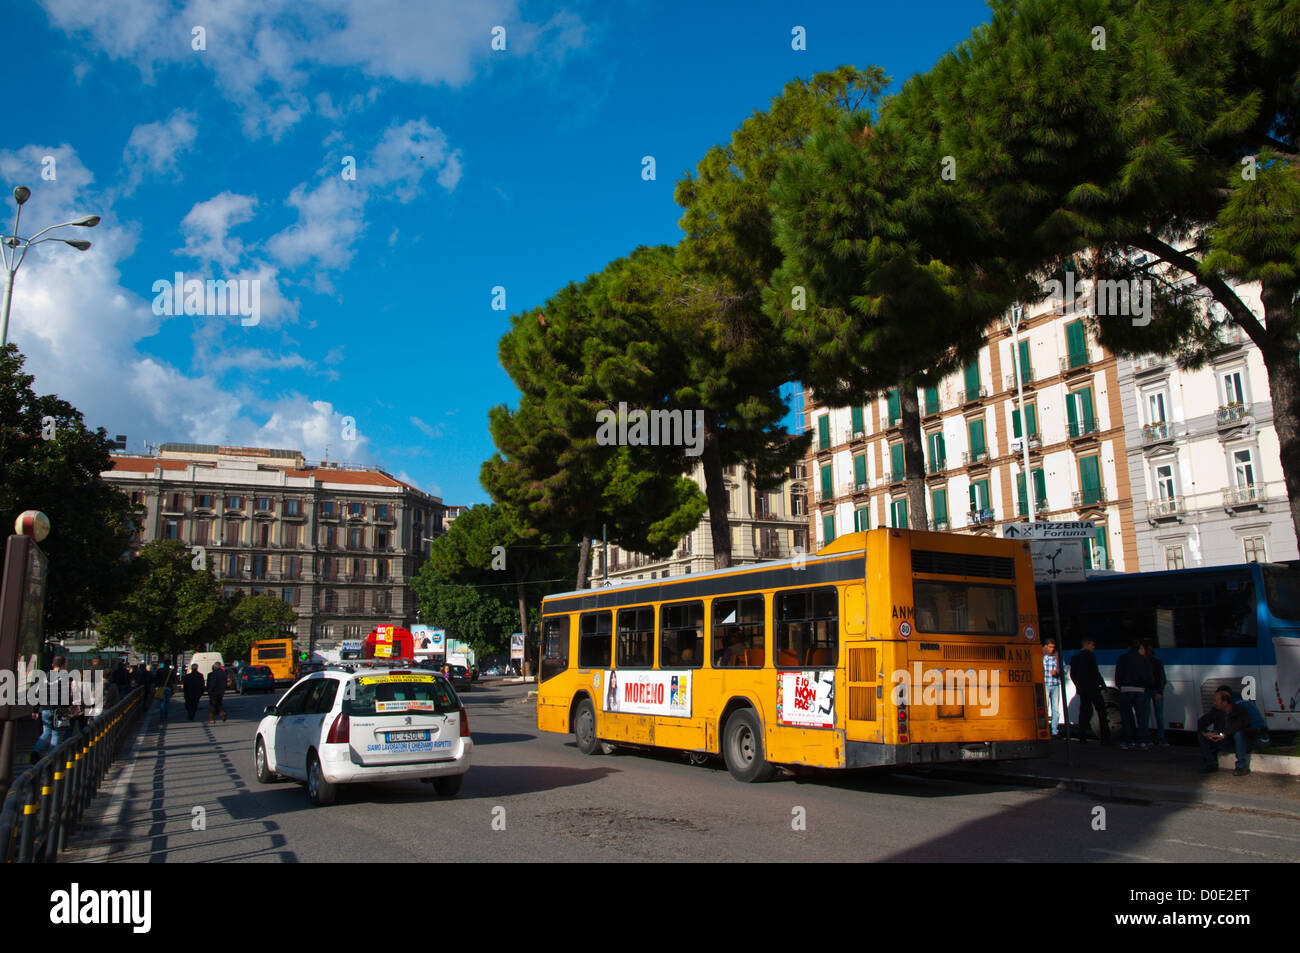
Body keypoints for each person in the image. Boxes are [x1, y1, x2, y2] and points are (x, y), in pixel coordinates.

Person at [1197, 686, 1257, 775]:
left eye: (1216, 701)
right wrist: (1205, 733)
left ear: (1224, 702)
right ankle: (1211, 763)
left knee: (1238, 734)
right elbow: (1201, 722)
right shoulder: (1216, 711)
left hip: (1236, 742)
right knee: (1201, 734)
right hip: (1223, 740)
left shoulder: (1239, 710)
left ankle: (1241, 766)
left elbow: (1238, 726)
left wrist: (1223, 735)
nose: (1214, 703)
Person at [1068, 638, 1110, 744]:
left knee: (1084, 712)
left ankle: (1082, 737)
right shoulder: (1090, 656)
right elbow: (1095, 671)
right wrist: (1102, 684)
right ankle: (1105, 737)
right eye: (1092, 645)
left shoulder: (1075, 657)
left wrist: (1078, 684)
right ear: (1087, 645)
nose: (1093, 647)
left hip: (1082, 689)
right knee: (1101, 711)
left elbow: (1072, 674)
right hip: (1093, 687)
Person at [1115, 640, 1154, 749]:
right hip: (1140, 691)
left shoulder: (1122, 658)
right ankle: (1142, 741)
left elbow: (1118, 675)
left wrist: (1121, 686)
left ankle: (1129, 741)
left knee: (1126, 717)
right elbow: (1149, 677)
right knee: (1141, 718)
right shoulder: (1144, 660)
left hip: (1125, 690)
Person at [30, 656, 70, 764]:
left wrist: (35, 710)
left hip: (45, 708)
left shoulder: (45, 677)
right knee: (57, 734)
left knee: (46, 732)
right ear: (64, 665)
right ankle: (51, 758)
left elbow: (37, 693)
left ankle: (36, 752)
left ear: (52, 664)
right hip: (60, 709)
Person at [1144, 640, 1168, 746]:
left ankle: (1148, 739)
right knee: (1158, 716)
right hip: (1155, 691)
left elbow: (1161, 678)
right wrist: (1160, 691)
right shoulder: (1157, 662)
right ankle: (1160, 739)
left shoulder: (1144, 662)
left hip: (1148, 691)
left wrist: (1159, 691)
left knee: (1146, 716)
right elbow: (1162, 678)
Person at [1042, 638, 1063, 737]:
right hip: (1045, 684)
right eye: (1050, 647)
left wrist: (1057, 672)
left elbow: (1063, 670)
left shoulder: (1056, 657)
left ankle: (1054, 730)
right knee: (1045, 708)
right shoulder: (1041, 657)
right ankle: (1045, 729)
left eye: (1053, 647)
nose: (1052, 649)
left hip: (1055, 685)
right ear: (1045, 647)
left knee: (1056, 709)